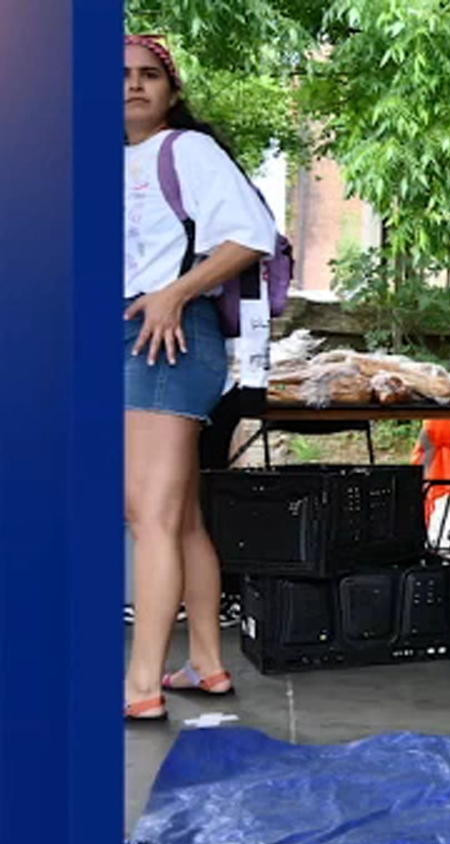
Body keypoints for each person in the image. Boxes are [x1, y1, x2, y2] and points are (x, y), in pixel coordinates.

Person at [123, 34, 279, 720]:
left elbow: (252, 235)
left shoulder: (185, 150)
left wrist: (176, 293)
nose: (134, 85)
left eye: (148, 75)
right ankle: (207, 664)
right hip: (129, 330)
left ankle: (140, 684)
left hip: (168, 334)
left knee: (149, 515)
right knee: (180, 518)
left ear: (171, 90)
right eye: (120, 75)